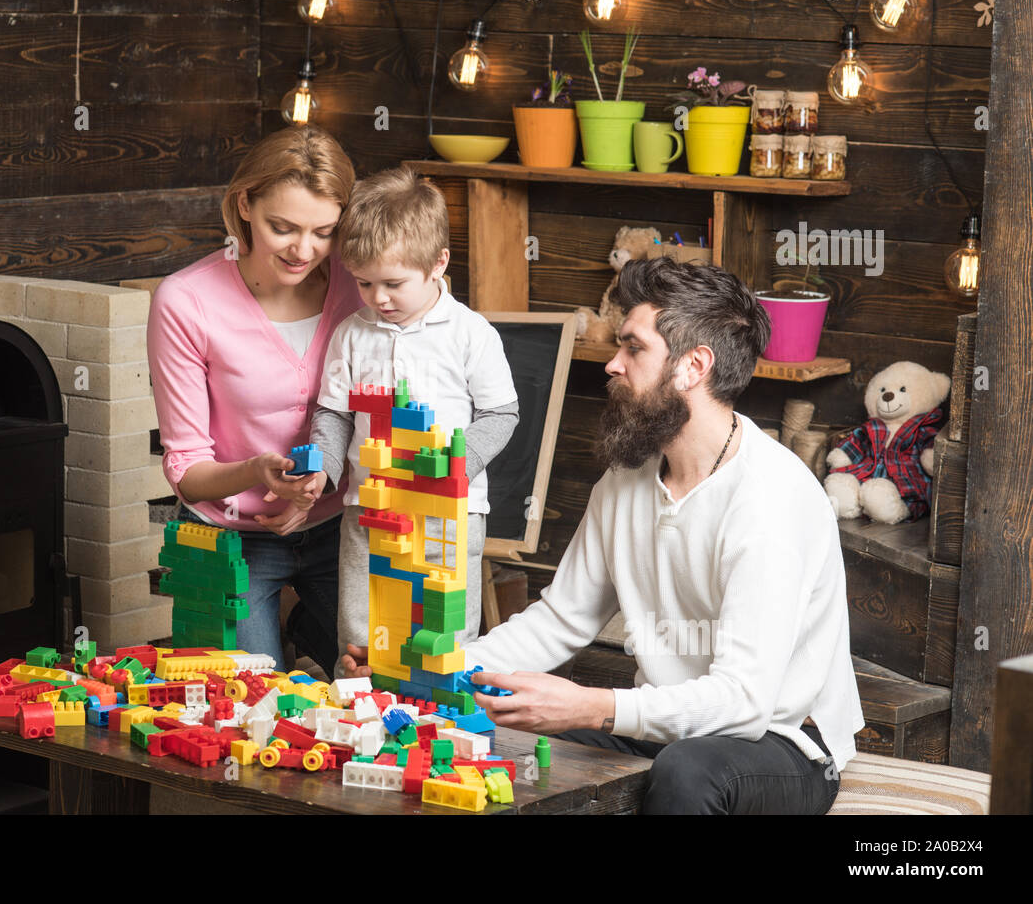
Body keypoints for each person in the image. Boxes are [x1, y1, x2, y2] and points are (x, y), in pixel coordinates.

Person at [350, 256, 865, 814]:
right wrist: (432, 668)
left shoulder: (771, 498)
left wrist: (593, 707)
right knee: (501, 748)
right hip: (666, 728)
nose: (612, 365)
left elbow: (745, 702)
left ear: (694, 366)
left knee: (688, 773)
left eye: (634, 348)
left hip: (783, 740)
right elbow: (562, 618)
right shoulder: (627, 478)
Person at [147, 126, 362, 675]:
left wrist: (319, 488)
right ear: (245, 205)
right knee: (249, 699)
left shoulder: (358, 286)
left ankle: (306, 639)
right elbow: (186, 470)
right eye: (282, 228)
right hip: (234, 537)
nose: (303, 251)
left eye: (323, 232)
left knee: (375, 689)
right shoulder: (186, 301)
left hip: (341, 527)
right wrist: (255, 472)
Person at [304, 167, 520, 680]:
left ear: (438, 263)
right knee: (362, 630)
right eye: (364, 283)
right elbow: (334, 411)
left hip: (448, 513)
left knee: (441, 634)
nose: (378, 298)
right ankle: (359, 716)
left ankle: (437, 718)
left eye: (394, 284)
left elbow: (501, 412)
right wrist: (326, 465)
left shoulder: (471, 334)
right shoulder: (352, 334)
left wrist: (459, 463)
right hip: (368, 509)